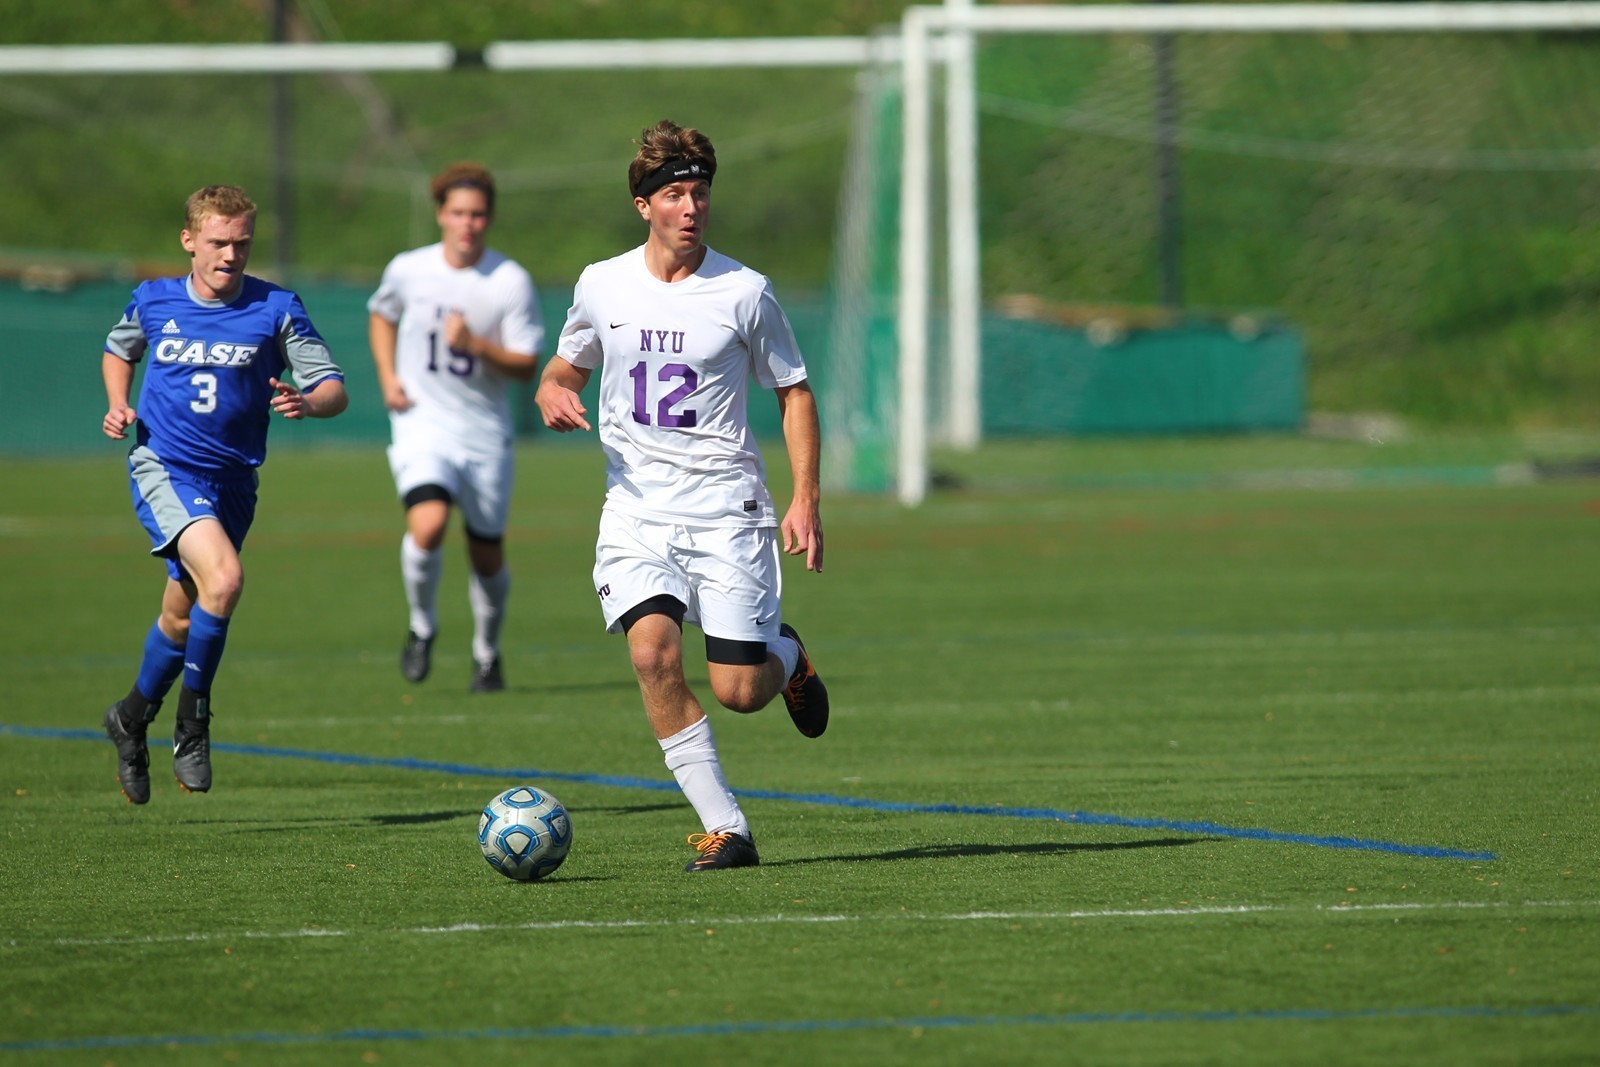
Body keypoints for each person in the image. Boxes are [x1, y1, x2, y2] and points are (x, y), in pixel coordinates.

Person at [535, 119, 829, 873]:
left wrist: (805, 499)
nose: (691, 207)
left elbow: (794, 392)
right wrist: (552, 392)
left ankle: (787, 654)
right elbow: (565, 368)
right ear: (644, 206)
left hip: (726, 511)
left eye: (700, 192)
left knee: (737, 689)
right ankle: (727, 827)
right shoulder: (602, 283)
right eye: (675, 194)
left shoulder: (744, 292)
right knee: (652, 653)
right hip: (635, 511)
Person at [100, 184, 348, 805]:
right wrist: (117, 403)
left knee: (183, 613)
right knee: (228, 579)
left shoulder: (277, 307)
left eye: (241, 243)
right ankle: (193, 723)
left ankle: (130, 719)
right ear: (189, 241)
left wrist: (306, 402)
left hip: (234, 482)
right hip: (167, 468)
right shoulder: (154, 299)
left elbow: (333, 388)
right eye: (217, 243)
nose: (230, 256)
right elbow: (118, 349)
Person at [368, 162, 544, 692]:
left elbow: (526, 364)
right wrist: (388, 376)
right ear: (441, 214)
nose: (468, 223)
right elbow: (382, 313)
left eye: (478, 214)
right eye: (459, 212)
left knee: (487, 553)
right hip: (422, 424)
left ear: (489, 219)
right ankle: (422, 627)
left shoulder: (509, 280)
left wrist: (477, 345)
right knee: (427, 525)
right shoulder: (409, 268)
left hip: (485, 433)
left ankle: (486, 654)